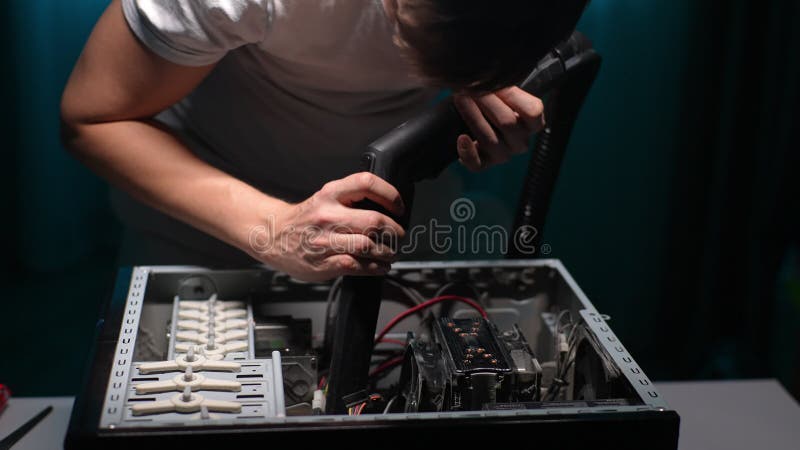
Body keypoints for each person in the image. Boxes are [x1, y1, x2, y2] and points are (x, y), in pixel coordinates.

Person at [60, 0, 583, 281]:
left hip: (394, 230)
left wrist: (486, 91)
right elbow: (93, 120)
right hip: (205, 231)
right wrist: (271, 230)